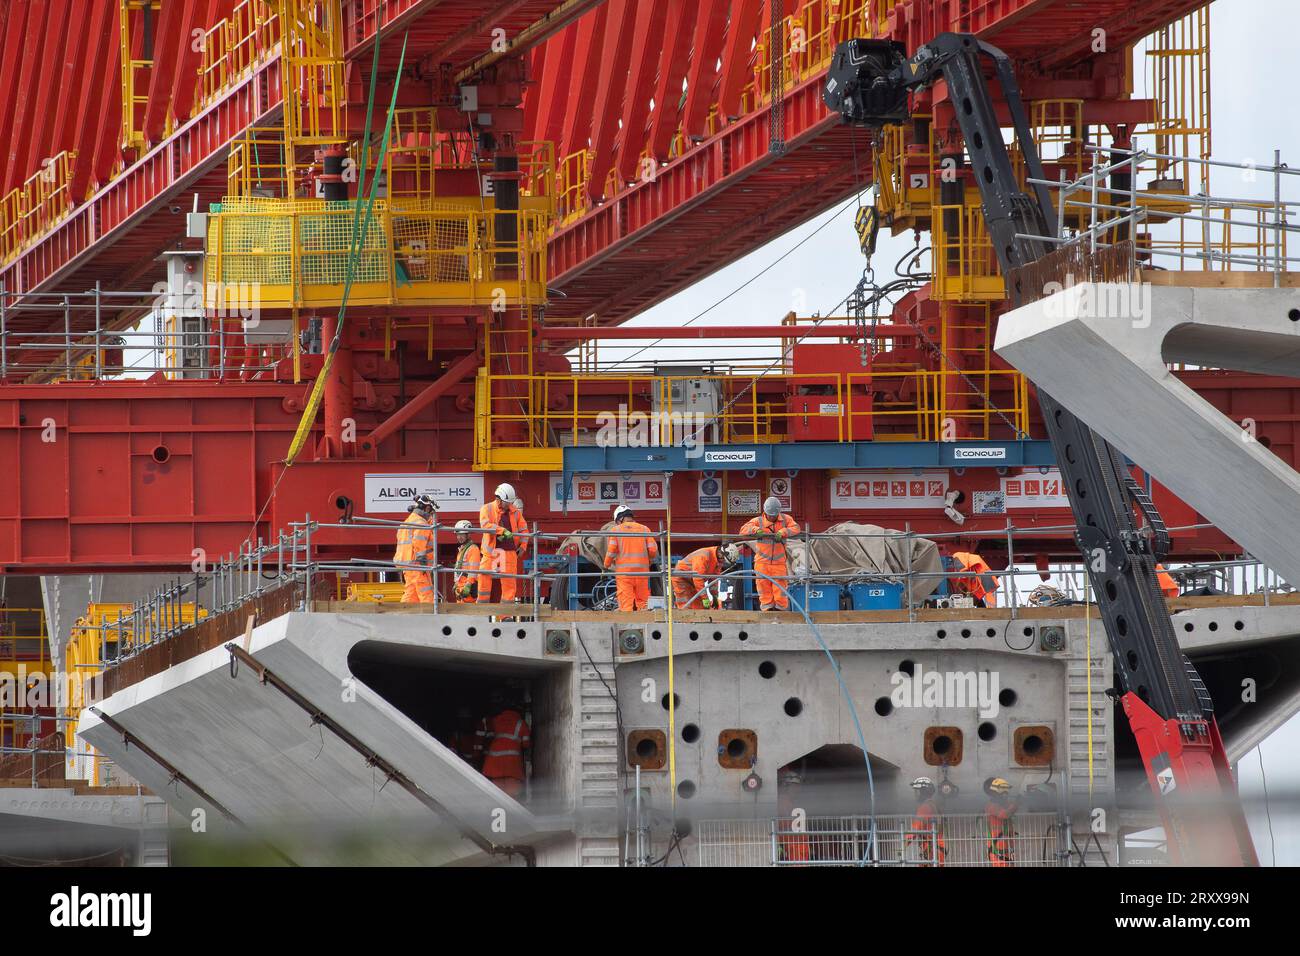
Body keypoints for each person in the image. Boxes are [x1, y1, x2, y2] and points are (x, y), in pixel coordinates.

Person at [739, 497, 799, 611]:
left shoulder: (786, 519)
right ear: (765, 512)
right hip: (762, 563)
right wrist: (755, 530)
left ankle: (780, 612)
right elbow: (743, 529)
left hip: (779, 564)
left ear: (778, 512)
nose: (772, 517)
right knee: (764, 590)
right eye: (770, 515)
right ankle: (767, 611)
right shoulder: (758, 521)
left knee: (780, 591)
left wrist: (783, 531)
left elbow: (796, 528)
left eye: (774, 515)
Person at [477, 482, 527, 604]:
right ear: (499, 499)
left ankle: (506, 616)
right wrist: (502, 530)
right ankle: (480, 614)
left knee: (509, 586)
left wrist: (523, 546)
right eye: (507, 502)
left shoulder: (515, 512)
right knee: (484, 581)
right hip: (491, 553)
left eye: (510, 502)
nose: (509, 505)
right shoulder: (486, 508)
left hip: (508, 553)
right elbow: (485, 525)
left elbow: (524, 530)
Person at [604, 504, 659, 612]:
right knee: (644, 604)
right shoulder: (644, 529)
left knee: (626, 605)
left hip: (624, 574)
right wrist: (649, 561)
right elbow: (653, 550)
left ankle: (628, 627)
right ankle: (644, 625)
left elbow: (611, 552)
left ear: (620, 519)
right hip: (642, 573)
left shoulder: (616, 530)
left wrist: (606, 565)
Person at [479, 692, 531, 798]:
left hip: (493, 767)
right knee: (511, 801)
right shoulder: (521, 724)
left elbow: (487, 736)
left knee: (496, 799)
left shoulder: (495, 720)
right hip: (513, 768)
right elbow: (526, 744)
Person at [394, 494, 438, 604]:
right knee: (426, 593)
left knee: (411, 593)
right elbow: (419, 544)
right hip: (418, 565)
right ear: (427, 508)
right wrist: (423, 564)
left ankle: (403, 616)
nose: (432, 515)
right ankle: (430, 619)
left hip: (407, 566)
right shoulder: (421, 524)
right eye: (431, 511)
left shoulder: (407, 522)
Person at [672, 543, 738, 609]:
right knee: (686, 606)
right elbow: (698, 579)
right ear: (721, 553)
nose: (723, 563)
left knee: (699, 608)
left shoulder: (718, 561)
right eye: (724, 560)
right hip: (681, 578)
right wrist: (704, 598)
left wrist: (714, 596)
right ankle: (684, 618)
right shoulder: (704, 556)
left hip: (692, 581)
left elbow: (714, 579)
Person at [905, 776, 946, 866]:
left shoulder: (924, 808)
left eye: (917, 791)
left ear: (923, 792)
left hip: (930, 850)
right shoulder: (934, 806)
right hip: (938, 848)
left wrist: (903, 844)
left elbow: (915, 830)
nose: (916, 794)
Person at [984, 777, 1018, 867]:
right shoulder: (991, 806)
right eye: (1003, 792)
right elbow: (1004, 814)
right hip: (997, 850)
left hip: (1006, 850)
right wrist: (1015, 804)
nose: (1006, 795)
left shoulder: (1001, 805)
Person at [452, 519, 481, 602]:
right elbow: (459, 570)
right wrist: (456, 584)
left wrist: (468, 585)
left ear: (468, 535)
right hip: (460, 589)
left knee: (469, 613)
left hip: (468, 588)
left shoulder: (473, 549)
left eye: (462, 535)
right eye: (457, 535)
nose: (459, 537)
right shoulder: (462, 550)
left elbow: (473, 570)